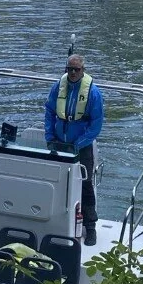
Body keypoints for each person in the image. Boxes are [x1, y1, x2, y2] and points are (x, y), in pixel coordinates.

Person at [44, 55, 104, 246]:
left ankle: (90, 227)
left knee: (85, 185)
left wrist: (79, 144)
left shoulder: (93, 93)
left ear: (83, 70)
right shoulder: (58, 87)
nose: (72, 73)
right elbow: (49, 111)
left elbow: (96, 124)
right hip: (59, 143)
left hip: (82, 146)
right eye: (69, 69)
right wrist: (49, 137)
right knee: (55, 182)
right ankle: (52, 221)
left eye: (76, 70)